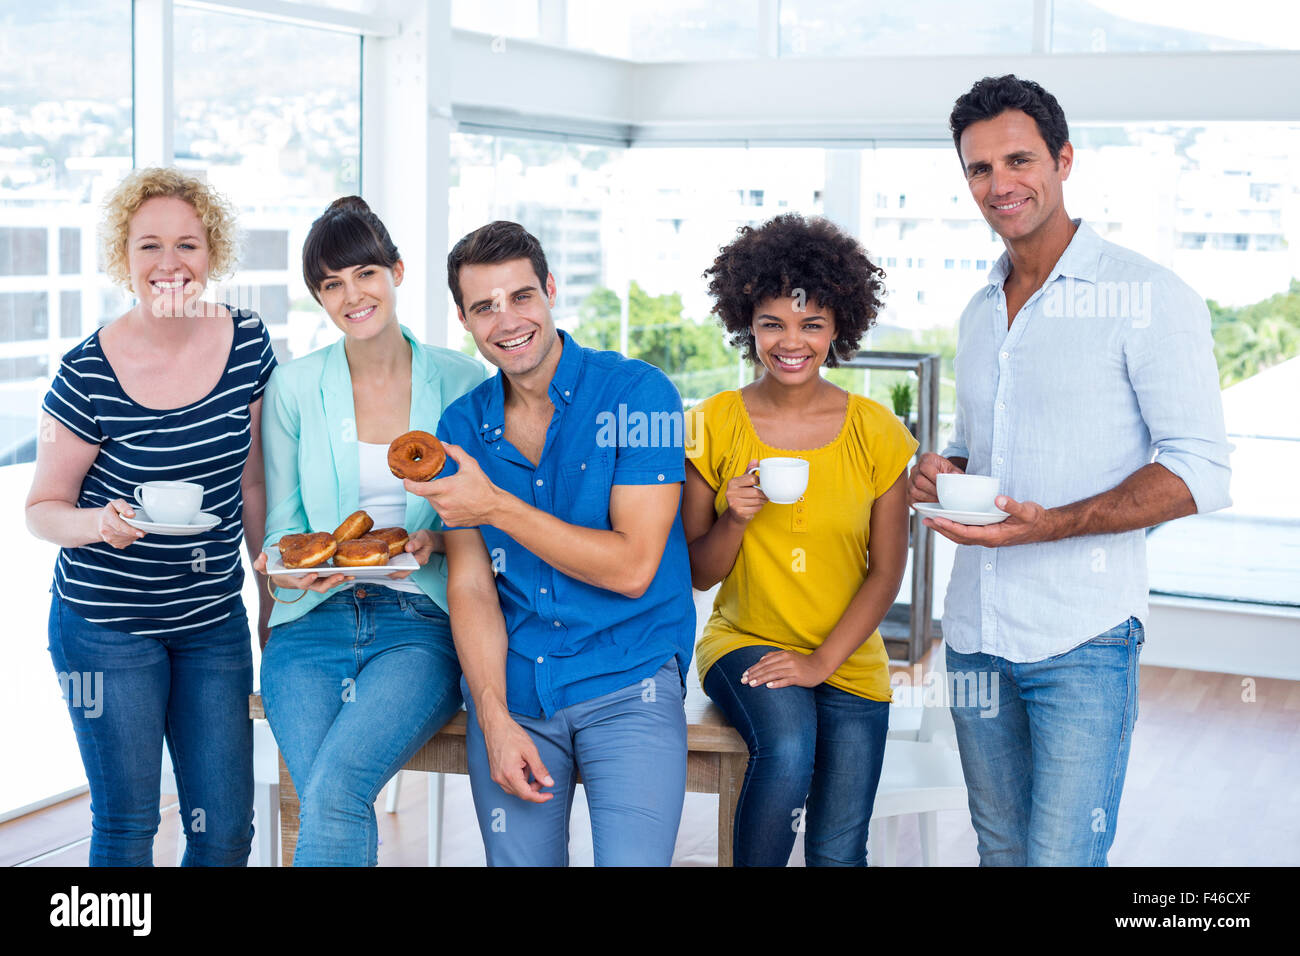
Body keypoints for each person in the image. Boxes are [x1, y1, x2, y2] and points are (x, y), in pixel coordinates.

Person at [908, 75, 1232, 866]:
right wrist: (944, 471)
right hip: (976, 633)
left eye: (1019, 160)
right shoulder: (980, 309)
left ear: (1063, 160)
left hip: (1081, 639)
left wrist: (1055, 524)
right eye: (979, 169)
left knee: (1061, 858)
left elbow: (1199, 468)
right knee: (1000, 850)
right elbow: (979, 446)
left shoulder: (1147, 296)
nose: (1000, 184)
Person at [407, 220, 695, 866]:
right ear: (464, 319)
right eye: (484, 307)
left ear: (551, 291)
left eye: (521, 296)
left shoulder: (638, 395)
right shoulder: (461, 425)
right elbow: (472, 586)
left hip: (629, 678)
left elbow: (633, 568)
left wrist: (495, 506)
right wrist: (492, 716)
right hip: (516, 689)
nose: (507, 321)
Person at [24, 167, 276, 866]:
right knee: (128, 827)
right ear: (123, 257)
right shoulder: (86, 373)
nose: (170, 264)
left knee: (225, 832)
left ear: (212, 252)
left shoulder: (248, 342)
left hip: (211, 623)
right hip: (106, 628)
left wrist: (268, 600)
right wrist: (96, 523)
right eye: (149, 246)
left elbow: (254, 482)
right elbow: (42, 510)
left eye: (188, 245)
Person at [253, 197, 485, 866]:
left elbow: (488, 513)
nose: (352, 295)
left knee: (333, 793)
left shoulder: (462, 381)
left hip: (421, 621)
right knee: (333, 797)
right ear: (319, 298)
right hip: (312, 623)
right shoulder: (295, 388)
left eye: (365, 274)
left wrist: (439, 541)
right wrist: (285, 571)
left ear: (397, 272)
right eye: (331, 284)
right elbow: (283, 530)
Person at [683, 213, 916, 866]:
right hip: (745, 640)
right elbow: (698, 572)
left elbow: (886, 572)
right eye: (772, 324)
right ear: (746, 325)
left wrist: (819, 663)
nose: (792, 342)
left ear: (839, 327)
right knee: (786, 751)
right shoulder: (711, 425)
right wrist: (735, 518)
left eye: (811, 324)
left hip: (849, 656)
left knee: (839, 852)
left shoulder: (877, 432)